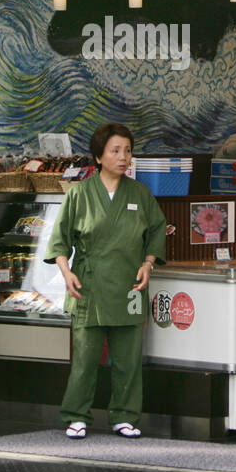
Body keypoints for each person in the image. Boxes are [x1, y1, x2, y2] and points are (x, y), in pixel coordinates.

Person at [47, 122, 166, 439]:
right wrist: (65, 270)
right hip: (89, 285)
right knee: (85, 357)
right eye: (115, 151)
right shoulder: (80, 194)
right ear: (98, 156)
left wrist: (148, 263)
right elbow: (59, 239)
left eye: (127, 150)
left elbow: (156, 230)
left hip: (130, 284)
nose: (123, 157)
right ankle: (76, 415)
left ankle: (125, 416)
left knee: (128, 359)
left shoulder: (140, 193)